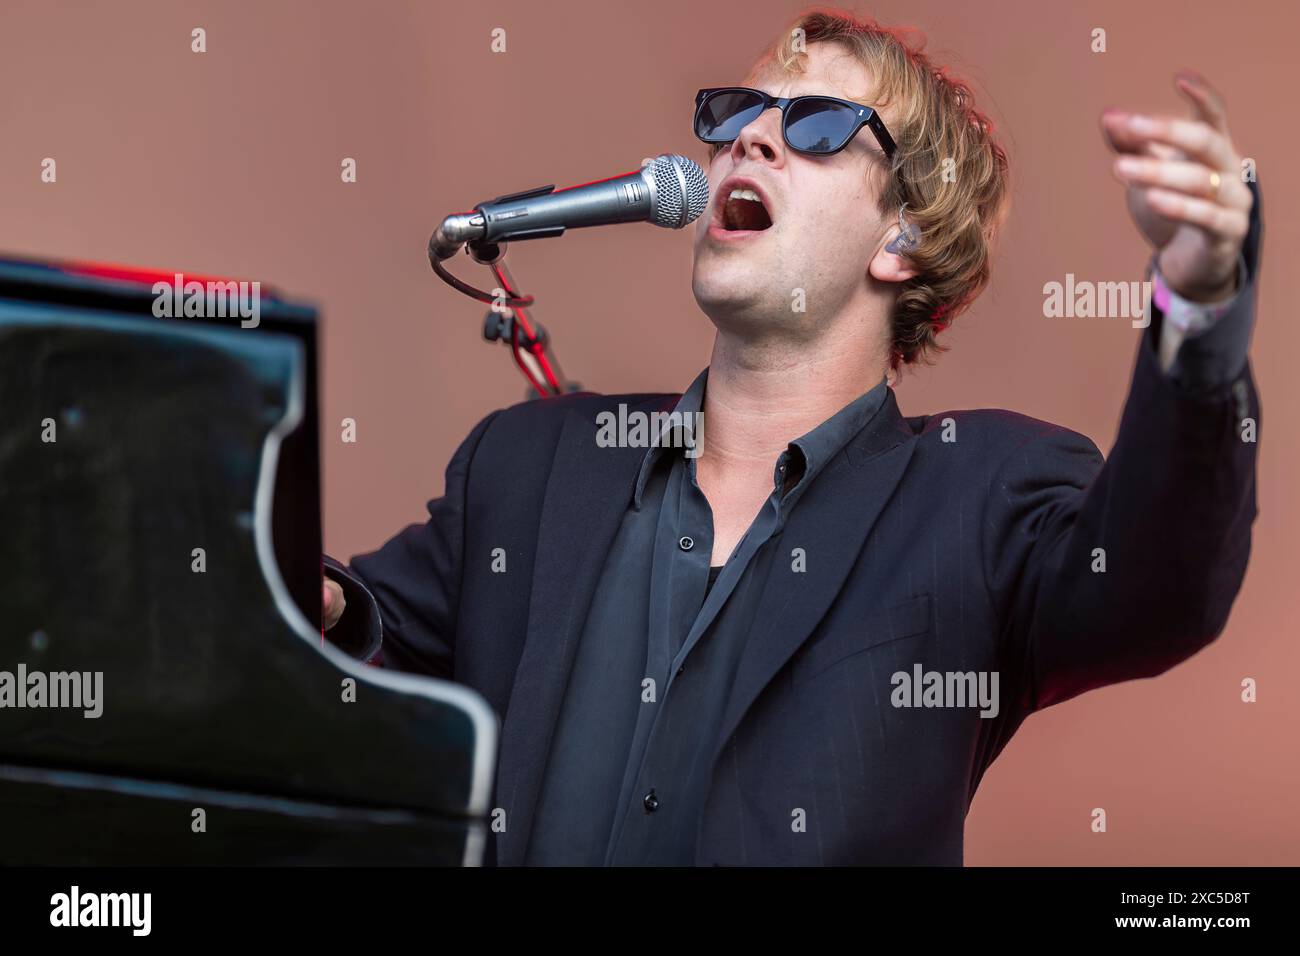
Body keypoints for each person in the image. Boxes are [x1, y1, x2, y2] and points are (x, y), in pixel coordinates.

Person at [321, 9, 1261, 865]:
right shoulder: (527, 467)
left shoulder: (981, 497)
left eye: (814, 124)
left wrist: (1203, 306)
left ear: (905, 237)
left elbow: (1162, 587)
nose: (751, 138)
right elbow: (342, 656)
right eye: (737, 114)